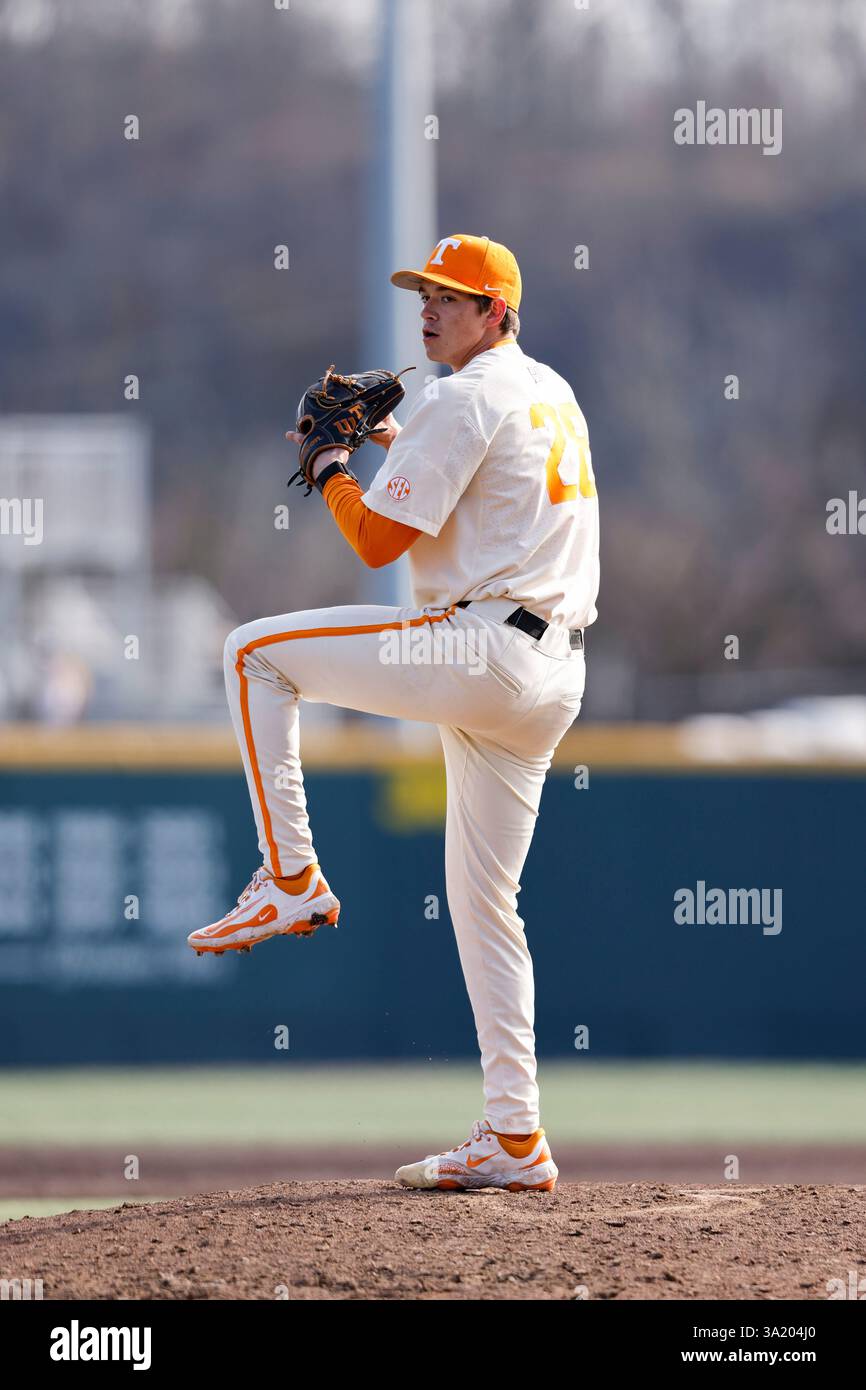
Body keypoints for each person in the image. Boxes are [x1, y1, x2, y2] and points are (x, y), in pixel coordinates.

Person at [187, 234, 600, 1192]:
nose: (428, 308)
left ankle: (290, 874)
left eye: (452, 297)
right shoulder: (547, 389)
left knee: (253, 655)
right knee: (483, 904)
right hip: (550, 675)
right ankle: (514, 1136)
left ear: (496, 312)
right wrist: (384, 440)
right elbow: (476, 480)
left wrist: (333, 460)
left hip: (480, 649)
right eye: (424, 291)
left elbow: (377, 539)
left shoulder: (462, 395)